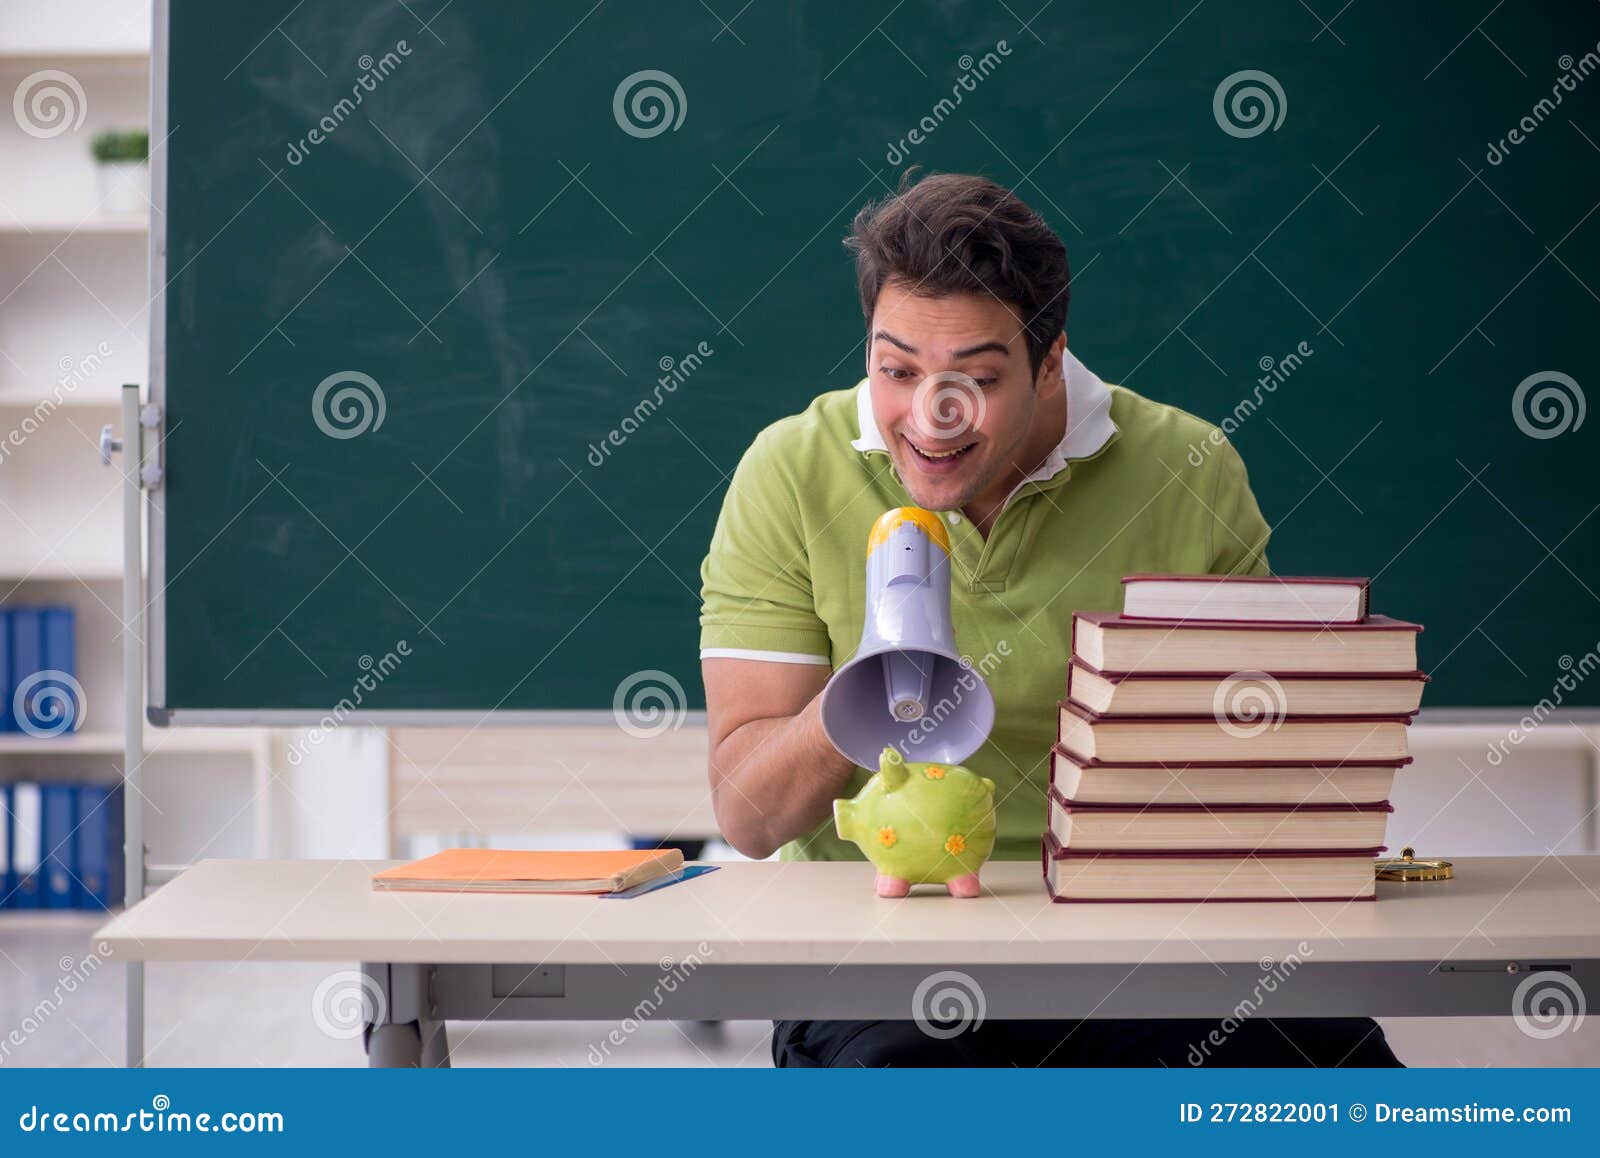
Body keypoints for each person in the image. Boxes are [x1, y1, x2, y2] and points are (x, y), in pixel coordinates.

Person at [697, 171, 1401, 1068]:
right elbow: (750, 817)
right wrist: (870, 686)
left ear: (1051, 358)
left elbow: (1255, 780)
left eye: (978, 378)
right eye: (896, 369)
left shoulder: (1188, 466)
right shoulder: (789, 471)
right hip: (883, 958)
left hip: (1149, 946)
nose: (931, 418)